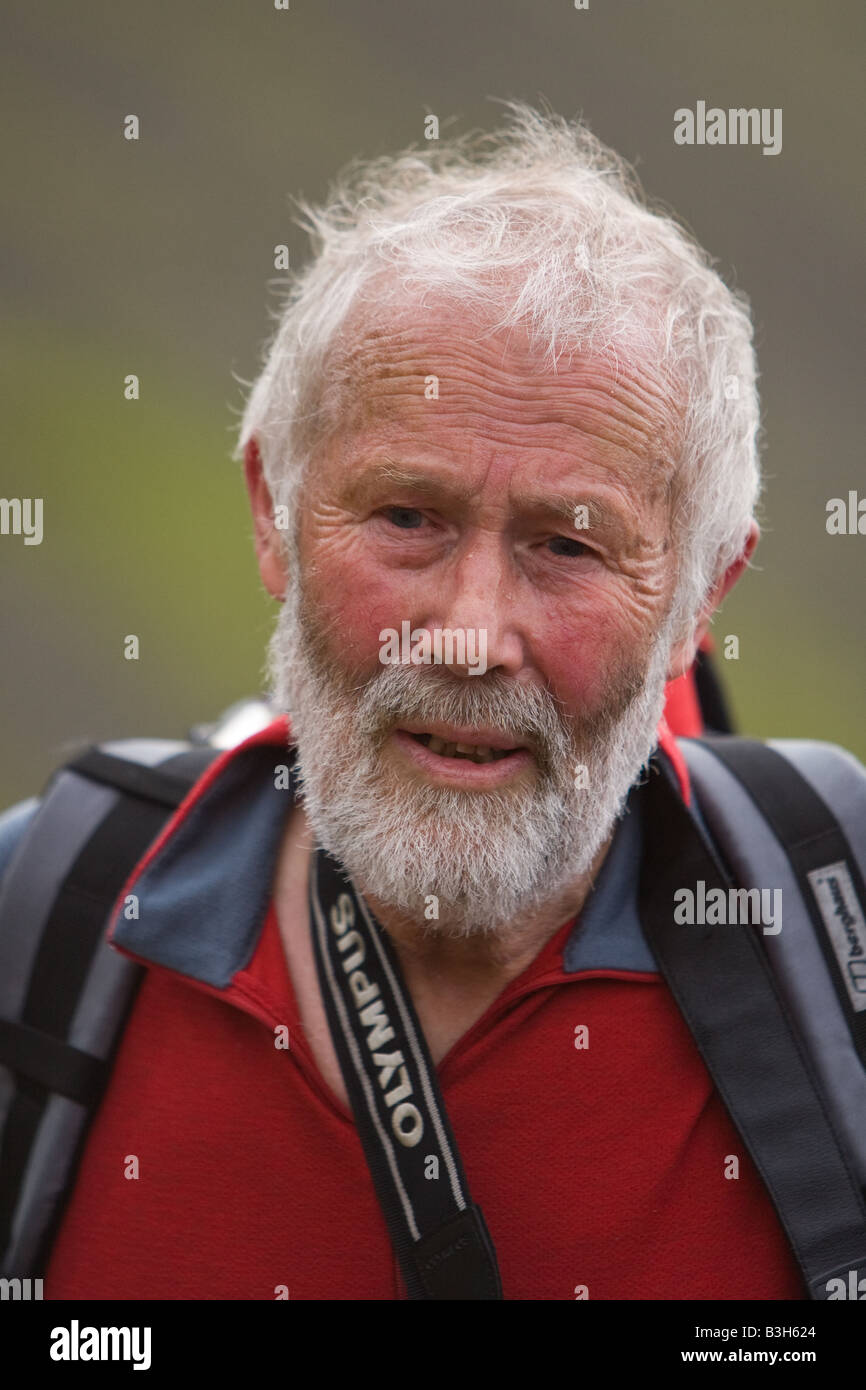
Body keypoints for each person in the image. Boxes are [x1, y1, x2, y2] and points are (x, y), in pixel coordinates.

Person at [1, 102, 864, 1301]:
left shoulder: (838, 927)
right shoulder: (39, 918)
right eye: (406, 517)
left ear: (699, 594)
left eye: (566, 544)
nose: (465, 634)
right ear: (273, 512)